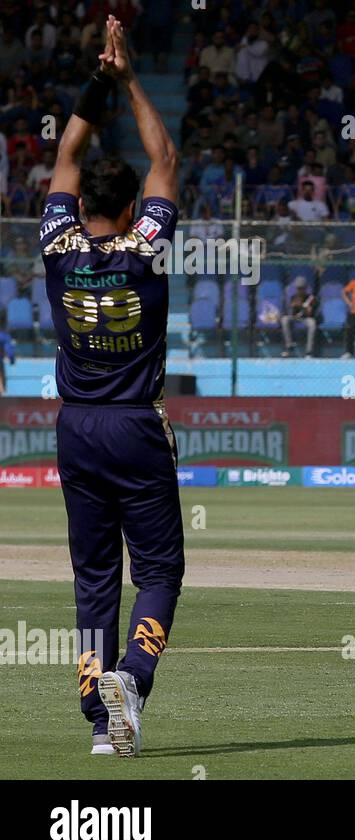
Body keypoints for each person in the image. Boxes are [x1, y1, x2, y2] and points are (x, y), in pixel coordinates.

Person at [40, 16, 183, 757]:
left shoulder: (58, 246)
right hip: (135, 422)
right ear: (132, 209)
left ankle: (102, 723)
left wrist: (97, 77)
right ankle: (135, 673)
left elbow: (67, 149)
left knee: (94, 577)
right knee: (159, 569)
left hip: (76, 426)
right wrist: (129, 79)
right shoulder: (146, 247)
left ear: (80, 203)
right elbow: (166, 157)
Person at [280, 276, 319, 357]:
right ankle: (289, 345)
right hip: (295, 317)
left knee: (312, 324)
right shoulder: (294, 297)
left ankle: (309, 351)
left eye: (301, 288)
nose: (300, 290)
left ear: (305, 288)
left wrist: (304, 307)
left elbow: (310, 313)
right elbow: (292, 312)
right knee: (284, 320)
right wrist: (294, 306)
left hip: (306, 318)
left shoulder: (311, 298)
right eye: (298, 288)